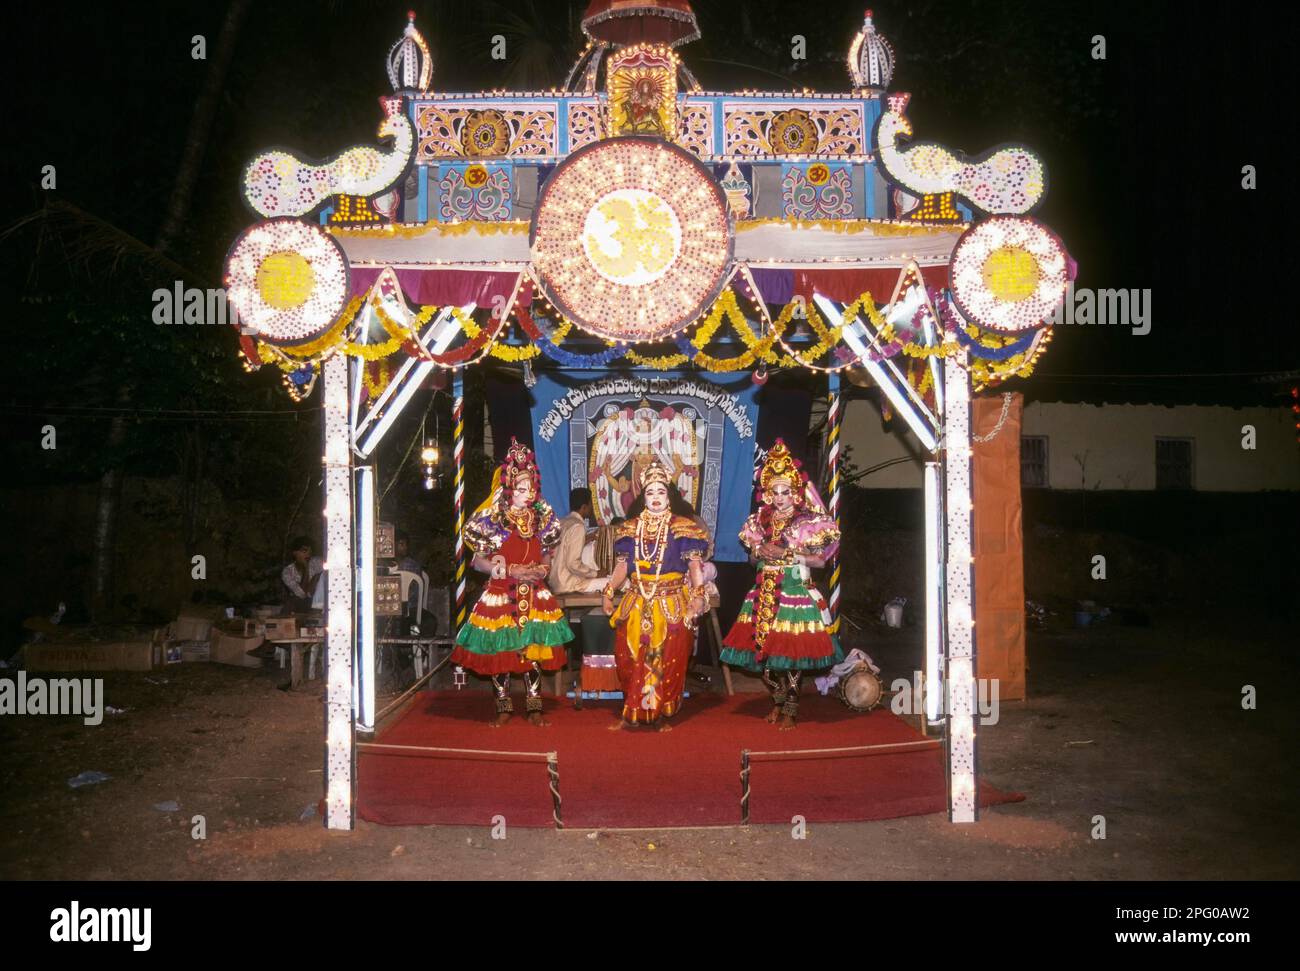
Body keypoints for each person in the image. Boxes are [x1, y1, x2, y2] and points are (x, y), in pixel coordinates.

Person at [720, 440, 844, 730]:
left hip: (793, 591)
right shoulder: (758, 521)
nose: (779, 497)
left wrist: (787, 553)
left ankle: (791, 707)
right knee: (763, 659)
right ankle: (778, 701)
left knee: (791, 657)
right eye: (773, 492)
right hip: (762, 592)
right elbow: (752, 561)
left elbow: (820, 562)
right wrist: (757, 553)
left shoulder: (808, 522)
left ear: (796, 492)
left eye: (785, 491)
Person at [450, 440, 573, 727]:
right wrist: (509, 570)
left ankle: (534, 707)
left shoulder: (542, 517)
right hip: (501, 592)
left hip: (533, 591)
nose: (527, 494)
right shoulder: (493, 518)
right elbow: (478, 561)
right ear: (508, 489)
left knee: (533, 649)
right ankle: (503, 705)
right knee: (501, 651)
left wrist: (542, 568)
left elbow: (547, 553)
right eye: (520, 489)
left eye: (530, 488)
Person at [602, 459, 711, 732]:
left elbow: (695, 566)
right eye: (650, 492)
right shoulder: (630, 528)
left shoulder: (683, 527)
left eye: (661, 492)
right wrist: (608, 590)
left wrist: (698, 596)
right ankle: (634, 709)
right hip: (636, 601)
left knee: (665, 657)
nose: (655, 498)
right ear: (643, 496)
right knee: (630, 658)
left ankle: (657, 711)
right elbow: (622, 566)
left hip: (670, 601)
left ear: (669, 495)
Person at [550, 488, 609, 595]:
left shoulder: (562, 522)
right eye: (591, 504)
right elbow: (573, 564)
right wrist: (596, 573)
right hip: (569, 584)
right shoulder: (578, 526)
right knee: (617, 583)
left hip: (555, 583)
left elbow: (564, 547)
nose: (592, 508)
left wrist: (586, 539)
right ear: (584, 507)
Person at [281, 537, 323, 613]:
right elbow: (301, 594)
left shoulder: (317, 562)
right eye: (304, 551)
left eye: (310, 552)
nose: (308, 554)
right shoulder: (287, 572)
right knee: (291, 603)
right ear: (295, 552)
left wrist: (316, 578)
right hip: (299, 604)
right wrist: (306, 569)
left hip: (319, 602)